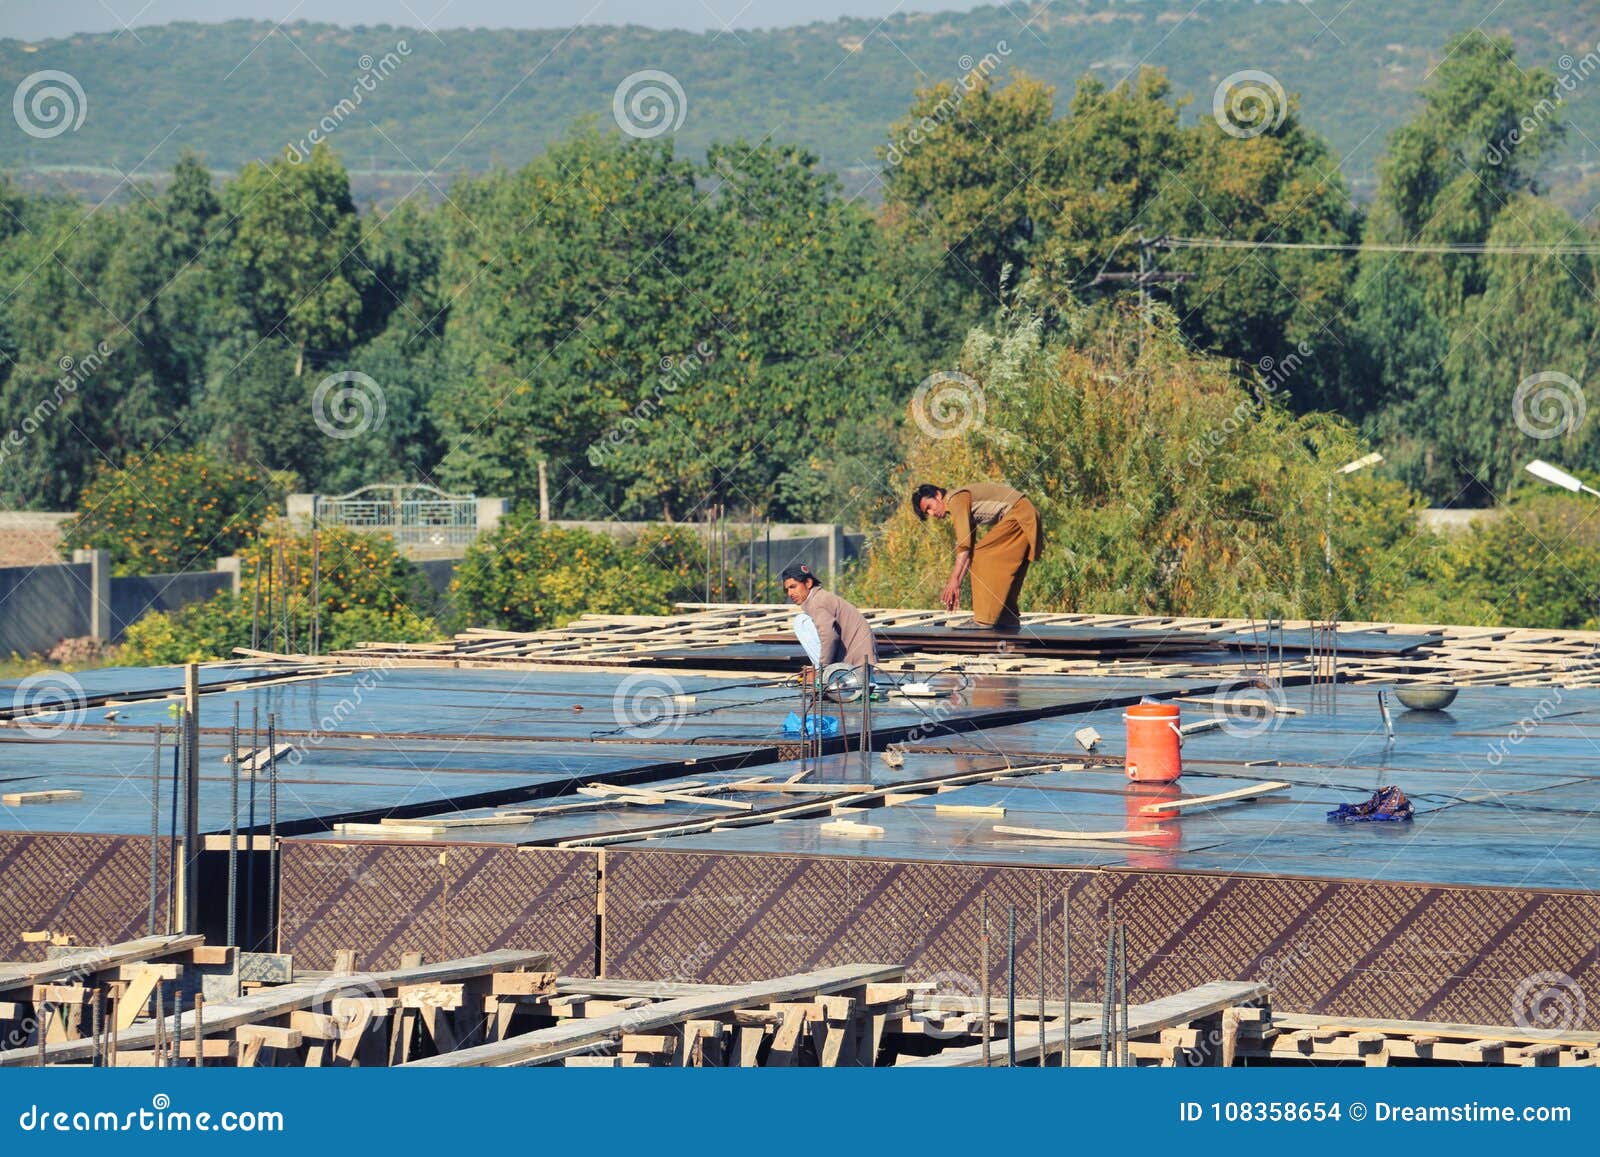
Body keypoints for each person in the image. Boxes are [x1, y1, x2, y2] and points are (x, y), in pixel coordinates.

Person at [911, 481, 1041, 631]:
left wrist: (953, 581)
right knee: (1003, 568)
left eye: (929, 507)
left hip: (1020, 514)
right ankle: (1007, 618)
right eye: (927, 513)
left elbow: (963, 547)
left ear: (938, 495)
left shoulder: (956, 500)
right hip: (1025, 514)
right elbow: (968, 550)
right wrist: (957, 583)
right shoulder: (962, 504)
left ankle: (983, 620)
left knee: (983, 556)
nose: (932, 514)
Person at [780, 563, 878, 670]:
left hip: (855, 663)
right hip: (860, 660)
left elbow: (829, 636)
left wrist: (823, 670)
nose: (790, 593)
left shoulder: (817, 602)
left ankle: (825, 672)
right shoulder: (821, 597)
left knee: (801, 621)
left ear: (808, 583)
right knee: (868, 686)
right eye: (787, 590)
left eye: (793, 587)